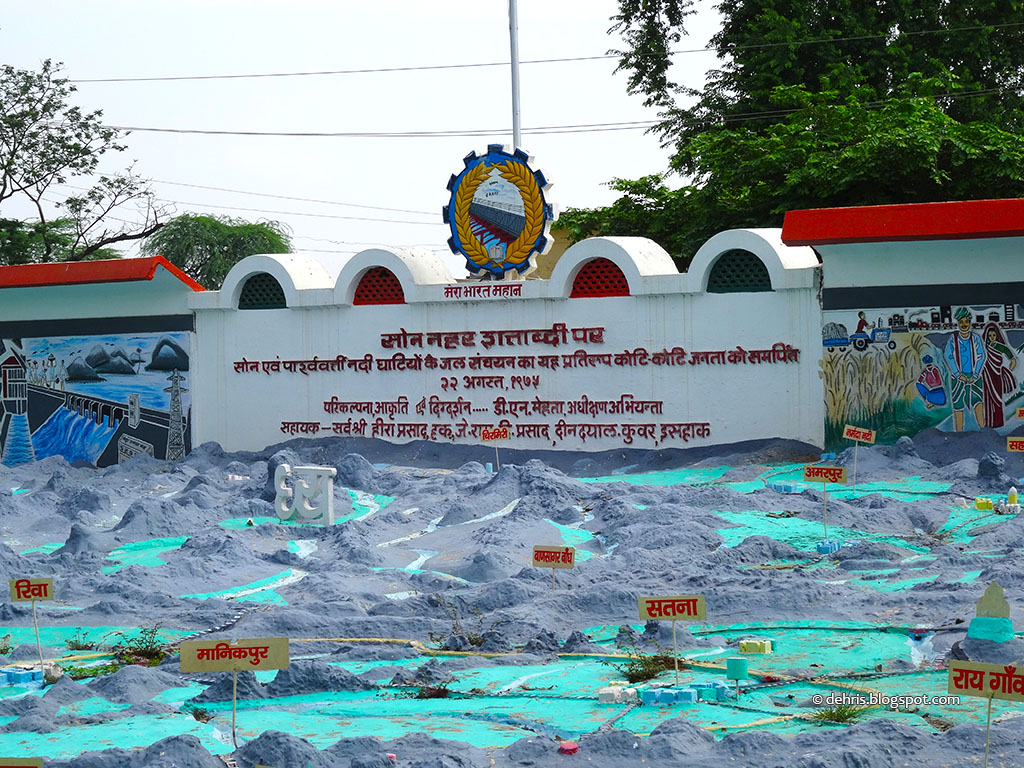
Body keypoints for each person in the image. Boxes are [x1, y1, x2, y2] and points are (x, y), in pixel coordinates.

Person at [944, 307, 987, 431]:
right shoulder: (954, 338)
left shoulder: (975, 338)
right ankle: (959, 433)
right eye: (961, 322)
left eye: (966, 322)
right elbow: (948, 355)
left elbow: (981, 355)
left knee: (978, 402)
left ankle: (983, 430)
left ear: (969, 322)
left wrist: (976, 374)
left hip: (974, 377)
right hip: (958, 378)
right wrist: (958, 374)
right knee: (958, 405)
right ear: (958, 323)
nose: (964, 324)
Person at [981, 322, 1017, 428]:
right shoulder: (984, 347)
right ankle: (988, 423)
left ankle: (998, 422)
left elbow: (1013, 359)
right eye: (990, 335)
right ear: (987, 336)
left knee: (997, 400)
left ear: (997, 335)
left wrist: (1008, 371)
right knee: (987, 399)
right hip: (986, 377)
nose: (992, 337)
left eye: (994, 335)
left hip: (997, 377)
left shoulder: (1001, 347)